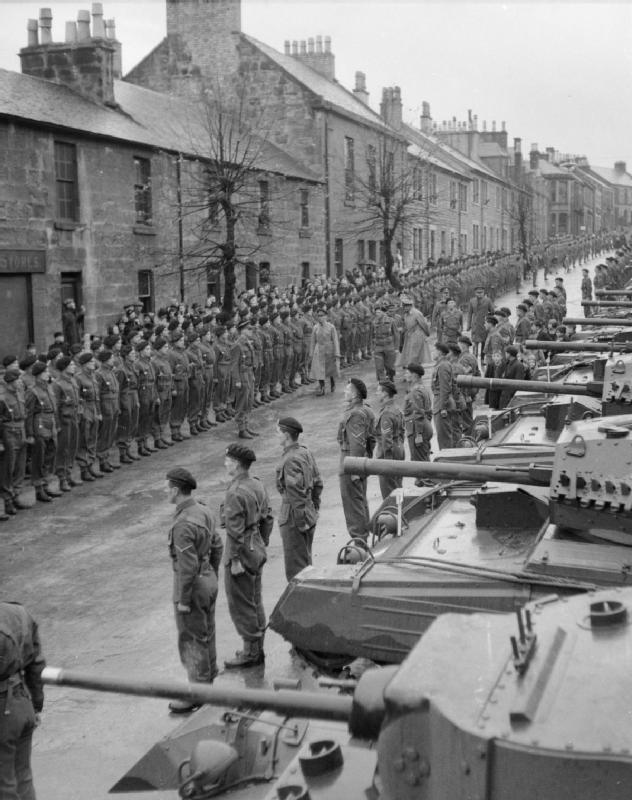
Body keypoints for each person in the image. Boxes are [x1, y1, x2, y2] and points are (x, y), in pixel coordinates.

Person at [166, 467, 223, 713]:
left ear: (176, 490)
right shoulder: (204, 511)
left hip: (192, 586)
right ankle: (207, 684)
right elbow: (217, 545)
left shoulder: (182, 524)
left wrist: (184, 600)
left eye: (167, 487)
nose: (165, 491)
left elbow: (187, 567)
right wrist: (211, 574)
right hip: (208, 578)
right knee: (207, 633)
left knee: (191, 638)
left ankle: (196, 693)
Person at [222, 444, 272, 669]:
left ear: (236, 464)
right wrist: (261, 542)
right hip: (256, 546)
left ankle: (251, 652)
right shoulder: (257, 484)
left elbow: (234, 531)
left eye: (228, 460)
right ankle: (257, 646)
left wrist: (234, 560)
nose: (225, 464)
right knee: (255, 600)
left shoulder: (235, 492)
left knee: (242, 604)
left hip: (241, 553)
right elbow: (267, 517)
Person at [0, 601, 45, 799]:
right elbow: (36, 664)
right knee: (22, 778)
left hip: (3, 711)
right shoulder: (18, 612)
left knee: (4, 787)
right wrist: (35, 706)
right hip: (22, 702)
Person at [275, 416, 323, 581]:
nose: (276, 435)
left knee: (296, 570)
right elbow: (318, 483)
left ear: (287, 435)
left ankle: (301, 603)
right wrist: (313, 509)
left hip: (294, 518)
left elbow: (296, 495)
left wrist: (301, 522)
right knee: (306, 564)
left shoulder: (290, 459)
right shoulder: (305, 452)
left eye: (278, 432)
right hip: (307, 512)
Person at [337, 378, 376, 541]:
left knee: (353, 502)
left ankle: (359, 539)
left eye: (347, 390)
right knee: (360, 499)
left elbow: (357, 443)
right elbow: (371, 440)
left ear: (354, 395)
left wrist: (354, 469)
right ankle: (364, 533)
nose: (344, 392)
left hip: (350, 461)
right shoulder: (366, 411)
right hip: (359, 460)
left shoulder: (355, 415)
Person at [25, 361, 60, 503]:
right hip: (39, 424)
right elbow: (28, 414)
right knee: (39, 457)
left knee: (50, 455)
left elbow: (54, 407)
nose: (48, 374)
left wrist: (56, 424)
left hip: (50, 422)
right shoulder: (32, 391)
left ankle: (45, 484)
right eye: (45, 372)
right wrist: (30, 434)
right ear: (38, 375)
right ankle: (38, 489)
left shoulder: (48, 388)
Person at [0, 368, 28, 516]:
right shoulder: (2, 397)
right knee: (7, 469)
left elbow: (25, 415)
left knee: (20, 466)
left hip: (21, 431)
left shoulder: (20, 394)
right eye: (18, 380)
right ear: (11, 382)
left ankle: (16, 495)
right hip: (8, 433)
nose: (20, 382)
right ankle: (7, 500)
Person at [374, 380, 405, 499]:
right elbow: (402, 431)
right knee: (397, 486)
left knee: (389, 492)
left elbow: (386, 440)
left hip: (388, 455)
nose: (376, 394)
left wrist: (387, 462)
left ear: (385, 394)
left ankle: (393, 515)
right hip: (398, 449)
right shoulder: (396, 408)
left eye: (378, 391)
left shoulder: (386, 413)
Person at [403, 363, 433, 464]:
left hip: (417, 430)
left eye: (407, 373)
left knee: (419, 462)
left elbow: (418, 414)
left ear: (414, 375)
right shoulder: (423, 388)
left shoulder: (415, 392)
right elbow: (428, 413)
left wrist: (419, 434)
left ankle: (424, 480)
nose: (405, 375)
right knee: (424, 458)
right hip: (424, 427)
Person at [309, 306, 340, 395]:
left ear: (326, 316)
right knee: (319, 370)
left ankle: (332, 383)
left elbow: (335, 340)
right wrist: (311, 353)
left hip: (329, 349)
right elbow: (312, 341)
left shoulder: (331, 327)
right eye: (318, 315)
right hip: (318, 350)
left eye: (322, 315)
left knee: (330, 369)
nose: (320, 317)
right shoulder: (315, 327)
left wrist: (336, 352)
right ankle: (322, 388)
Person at [431, 342, 454, 450]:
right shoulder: (441, 364)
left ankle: (447, 462)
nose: (433, 353)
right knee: (443, 436)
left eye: (434, 350)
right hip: (440, 402)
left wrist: (443, 407)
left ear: (439, 352)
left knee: (444, 437)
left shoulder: (443, 366)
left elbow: (445, 388)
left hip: (441, 404)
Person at [400, 296, 431, 366]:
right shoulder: (406, 314)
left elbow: (424, 325)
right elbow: (406, 326)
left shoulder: (417, 313)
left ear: (409, 306)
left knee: (415, 355)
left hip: (417, 335)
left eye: (405, 306)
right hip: (409, 335)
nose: (404, 308)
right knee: (409, 354)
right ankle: (414, 369)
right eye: (403, 306)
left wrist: (427, 334)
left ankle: (416, 370)